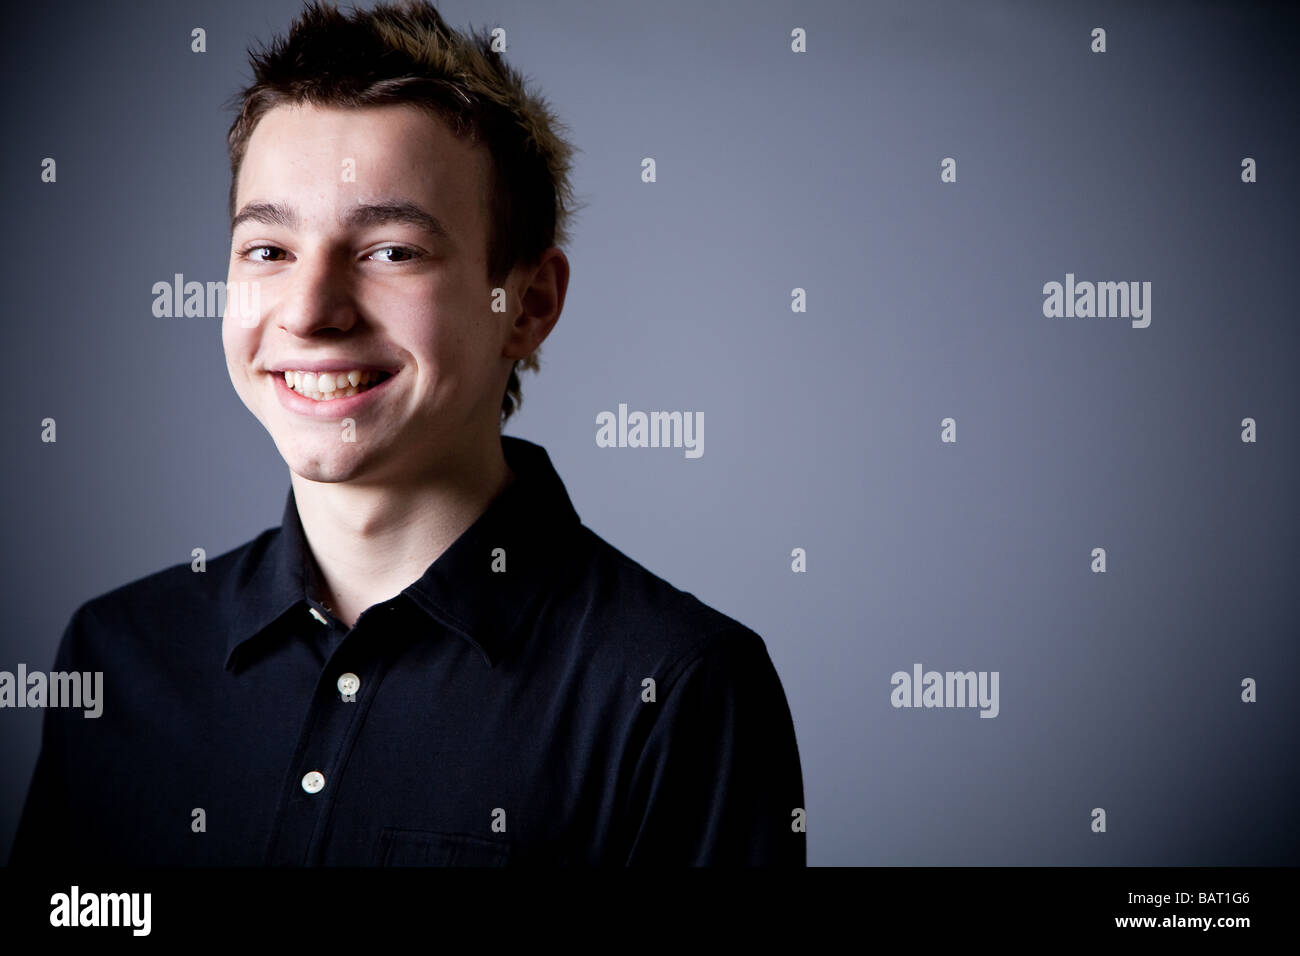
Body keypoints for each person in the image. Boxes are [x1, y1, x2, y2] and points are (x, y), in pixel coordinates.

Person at [10, 0, 804, 866]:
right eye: (268, 250)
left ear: (527, 305)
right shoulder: (116, 655)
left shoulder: (678, 691)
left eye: (391, 251)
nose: (310, 312)